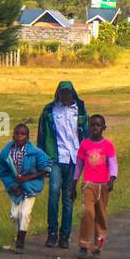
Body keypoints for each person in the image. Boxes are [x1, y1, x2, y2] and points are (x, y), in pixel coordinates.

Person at [37, 80, 88, 249]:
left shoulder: (79, 110)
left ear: (73, 93)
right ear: (57, 93)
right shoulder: (49, 111)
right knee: (53, 194)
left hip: (74, 159)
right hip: (55, 158)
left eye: (68, 93)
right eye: (62, 92)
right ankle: (52, 233)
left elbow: (86, 135)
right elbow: (42, 136)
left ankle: (65, 235)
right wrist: (41, 160)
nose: (65, 96)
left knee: (68, 198)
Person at [0, 123, 50, 254]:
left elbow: (46, 169)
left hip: (31, 188)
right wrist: (12, 185)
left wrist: (28, 178)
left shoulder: (35, 152)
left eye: (23, 134)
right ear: (12, 135)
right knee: (14, 215)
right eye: (16, 134)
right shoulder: (6, 152)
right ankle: (18, 234)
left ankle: (20, 242)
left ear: (28, 137)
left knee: (24, 214)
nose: (19, 137)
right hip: (15, 189)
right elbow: (2, 171)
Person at [74, 114, 117, 259]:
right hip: (88, 185)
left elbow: (112, 163)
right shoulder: (85, 144)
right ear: (88, 127)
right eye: (92, 125)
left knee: (101, 217)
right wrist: (74, 182)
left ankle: (98, 246)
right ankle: (84, 245)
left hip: (103, 186)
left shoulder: (108, 145)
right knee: (88, 213)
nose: (95, 128)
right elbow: (79, 164)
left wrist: (112, 179)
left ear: (104, 128)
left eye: (98, 125)